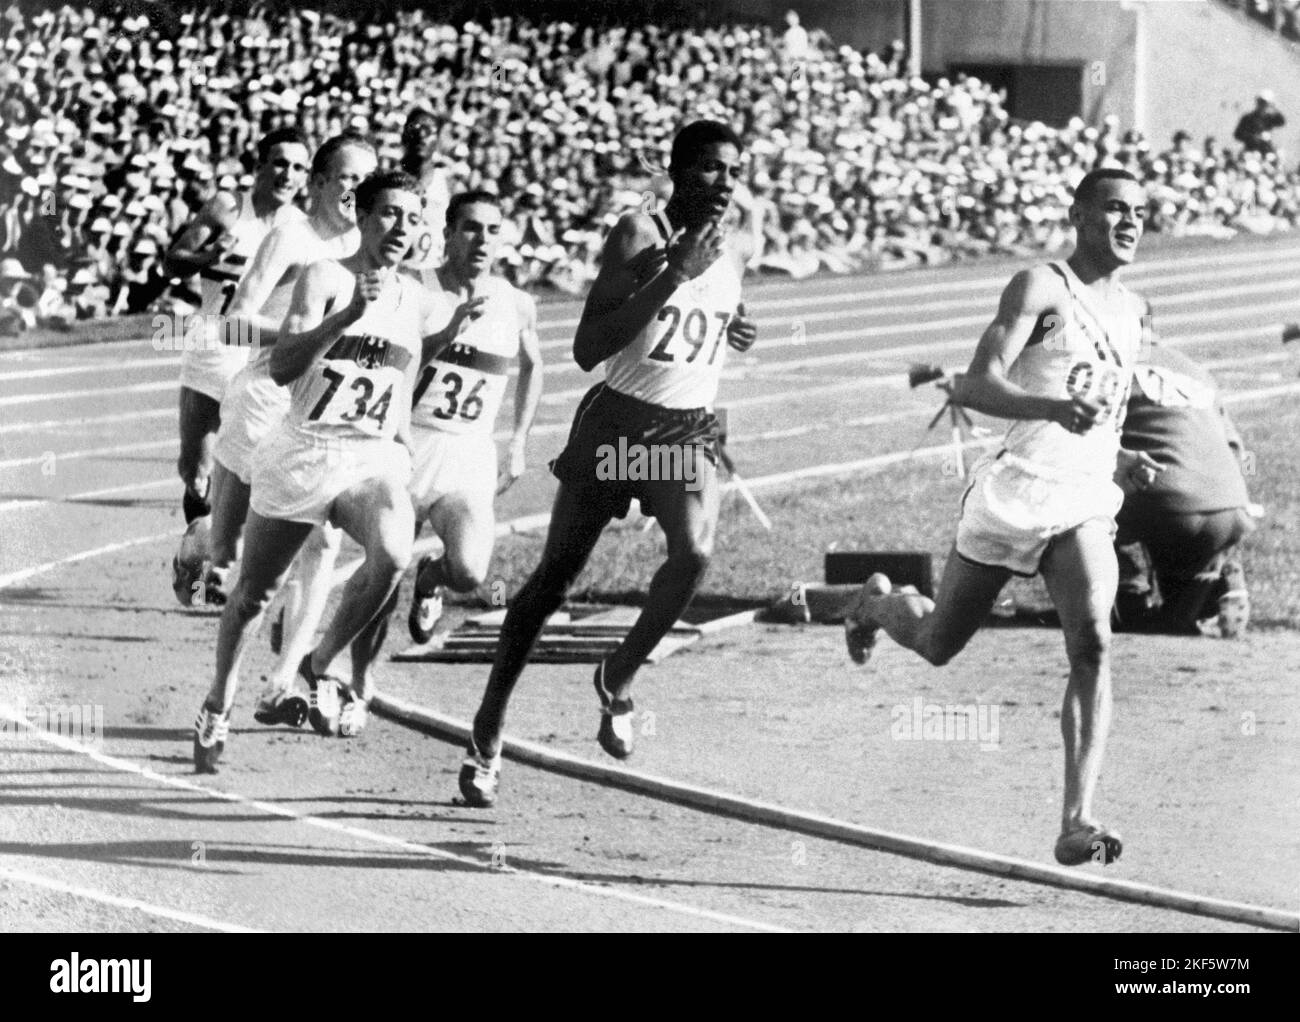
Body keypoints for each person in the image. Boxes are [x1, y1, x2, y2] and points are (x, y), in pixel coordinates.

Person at [843, 167, 1164, 867]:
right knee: (935, 642)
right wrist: (1049, 409)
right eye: (1113, 208)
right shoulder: (1041, 287)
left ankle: (1077, 818)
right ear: (1078, 214)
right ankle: (875, 605)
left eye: (1139, 211)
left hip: (1081, 504)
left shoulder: (1136, 310)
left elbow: (1097, 418)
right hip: (1015, 493)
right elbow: (975, 384)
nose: (1129, 222)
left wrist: (1122, 459)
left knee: (1094, 645)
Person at [457, 120, 758, 808]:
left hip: (683, 431)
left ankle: (618, 675)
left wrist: (738, 325)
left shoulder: (734, 243)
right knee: (552, 581)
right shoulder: (638, 235)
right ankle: (487, 729)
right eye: (710, 169)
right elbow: (590, 346)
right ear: (677, 171)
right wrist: (674, 275)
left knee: (695, 553)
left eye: (734, 172)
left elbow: (713, 311)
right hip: (618, 425)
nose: (724, 184)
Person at [193, 169, 441, 772]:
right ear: (360, 214)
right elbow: (281, 367)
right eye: (388, 214)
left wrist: (402, 441)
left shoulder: (416, 297)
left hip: (368, 455)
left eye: (412, 219)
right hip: (305, 448)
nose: (400, 229)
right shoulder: (324, 276)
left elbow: (403, 375)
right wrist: (348, 315)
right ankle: (218, 702)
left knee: (394, 554)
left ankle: (317, 664)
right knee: (255, 596)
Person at [205, 132, 377, 725]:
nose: (355, 189)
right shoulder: (292, 235)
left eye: (365, 179)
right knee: (228, 555)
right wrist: (307, 336)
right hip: (265, 394)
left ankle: (285, 683)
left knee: (321, 540)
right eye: (346, 177)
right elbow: (233, 324)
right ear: (321, 183)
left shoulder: (367, 245)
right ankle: (198, 539)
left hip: (315, 410)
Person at [348, 190, 544, 697]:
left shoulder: (516, 302)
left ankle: (431, 579)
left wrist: (519, 440)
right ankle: (359, 682)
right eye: (472, 228)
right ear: (448, 234)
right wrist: (449, 332)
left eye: (492, 230)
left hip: (470, 451)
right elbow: (390, 361)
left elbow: (534, 366)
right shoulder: (417, 290)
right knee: (382, 573)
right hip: (411, 443)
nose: (482, 240)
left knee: (470, 570)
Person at [164, 127, 309, 588]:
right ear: (260, 164)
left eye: (299, 167)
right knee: (197, 469)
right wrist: (211, 253)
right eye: (280, 162)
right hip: (213, 342)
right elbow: (174, 261)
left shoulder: (301, 229)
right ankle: (198, 542)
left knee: (249, 463)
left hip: (261, 352)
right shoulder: (229, 208)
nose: (288, 174)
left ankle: (220, 565)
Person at [1113, 308, 1256, 637]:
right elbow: (1237, 450)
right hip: (1228, 505)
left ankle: (1127, 592)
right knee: (1176, 608)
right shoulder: (1195, 369)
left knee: (1064, 508)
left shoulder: (1108, 365)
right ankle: (1216, 582)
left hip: (1162, 500)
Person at [398, 107, 453, 279]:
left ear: (437, 139)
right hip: (396, 271)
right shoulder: (390, 179)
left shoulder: (448, 183)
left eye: (428, 131)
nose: (421, 135)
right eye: (415, 129)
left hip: (431, 273)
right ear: (405, 135)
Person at [1233, 90, 1286, 156]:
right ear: (1257, 102)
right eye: (1261, 102)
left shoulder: (1270, 117)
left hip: (1267, 150)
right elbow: (1237, 134)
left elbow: (1281, 122)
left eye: (1265, 103)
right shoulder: (1248, 117)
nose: (1263, 105)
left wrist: (1274, 108)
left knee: (1277, 157)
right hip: (1251, 150)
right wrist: (1253, 137)